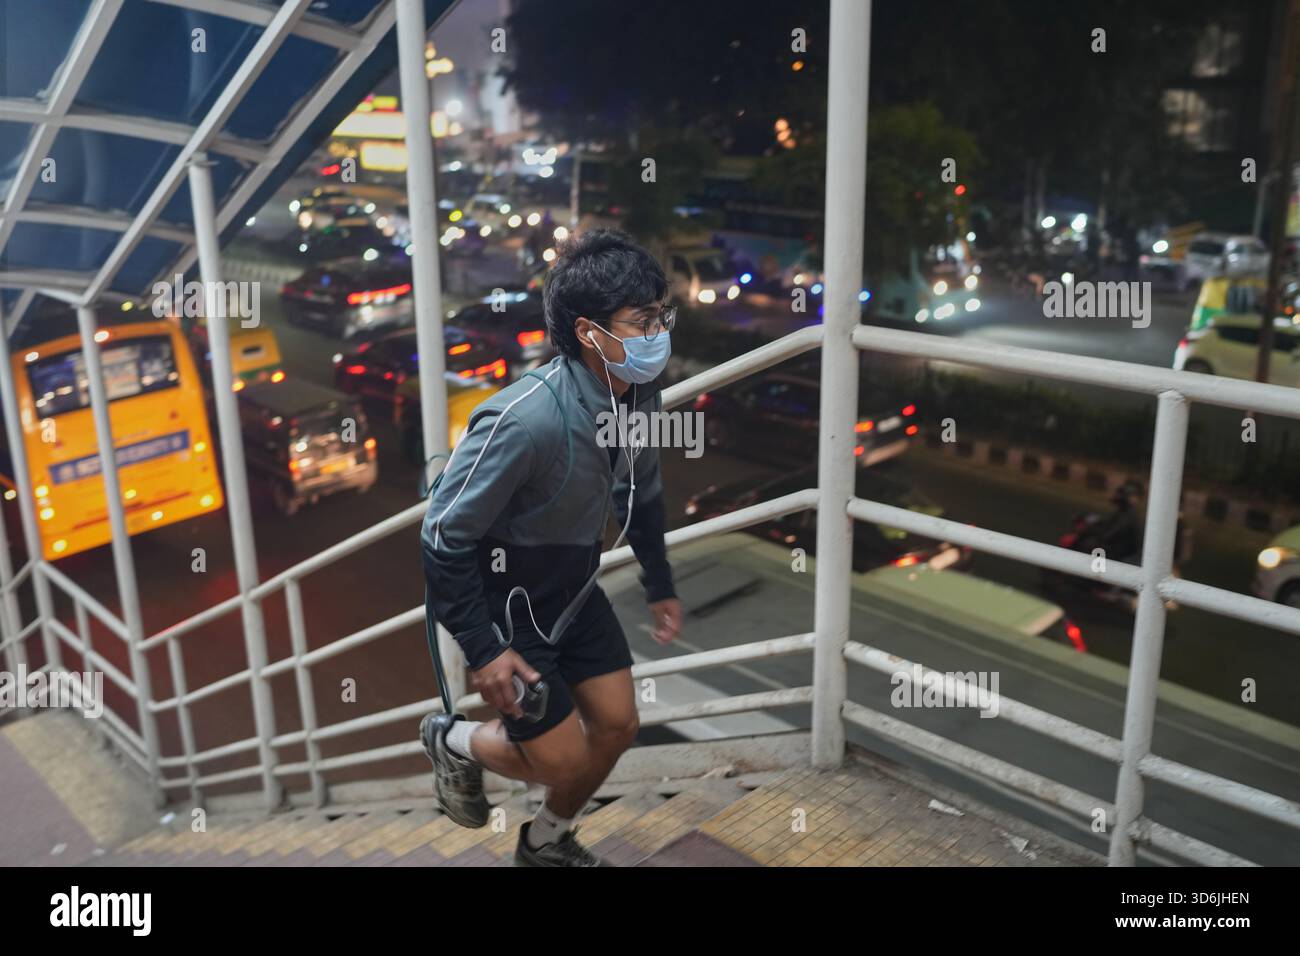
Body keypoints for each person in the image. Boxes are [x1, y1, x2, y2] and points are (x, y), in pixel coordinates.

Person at [419, 229, 684, 867]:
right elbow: (442, 535)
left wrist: (660, 584)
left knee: (619, 726)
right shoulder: (525, 419)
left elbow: (641, 495)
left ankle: (544, 843)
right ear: (590, 332)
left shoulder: (640, 397)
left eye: (661, 315)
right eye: (642, 320)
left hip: (572, 585)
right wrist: (484, 650)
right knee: (557, 761)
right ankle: (452, 739)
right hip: (509, 601)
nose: (659, 332)